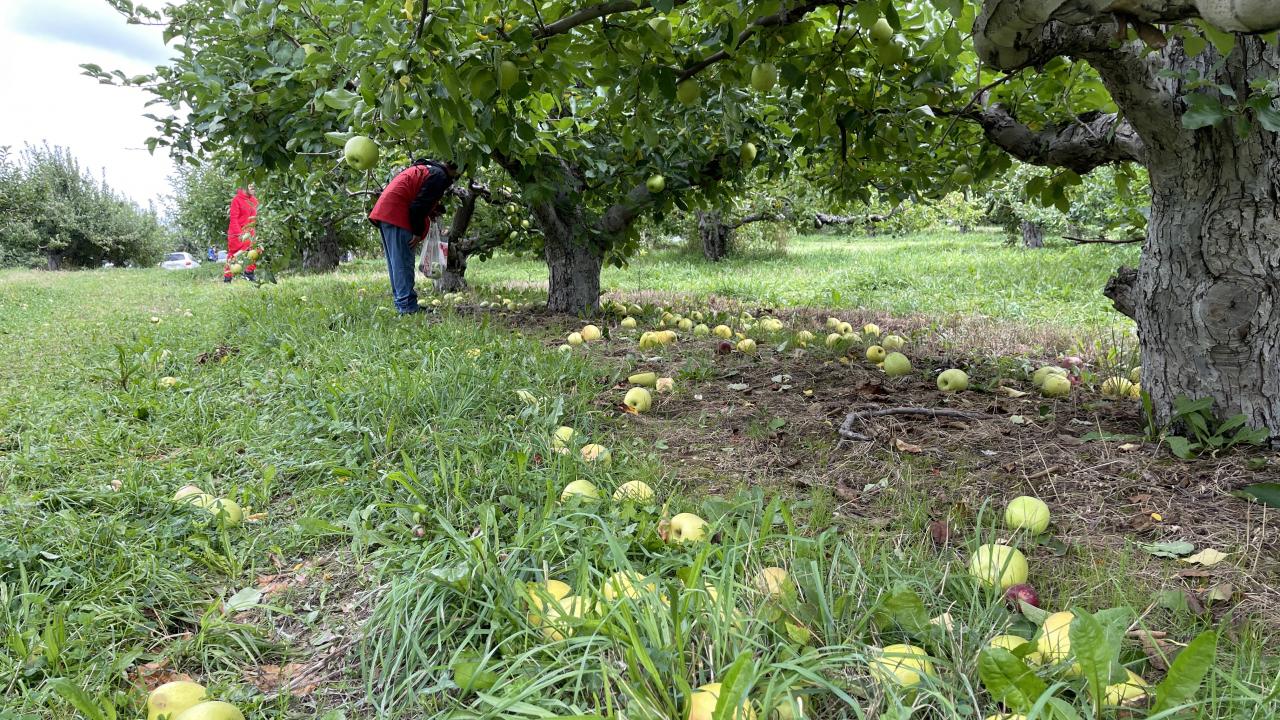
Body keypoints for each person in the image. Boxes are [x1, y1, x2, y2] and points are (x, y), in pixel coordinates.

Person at [367, 159, 460, 314]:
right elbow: (417, 207)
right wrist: (417, 232)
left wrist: (432, 208)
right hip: (397, 214)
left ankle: (403, 302)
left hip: (386, 212)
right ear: (457, 169)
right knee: (403, 263)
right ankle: (406, 306)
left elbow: (416, 194)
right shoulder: (440, 176)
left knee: (396, 263)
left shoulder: (427, 168)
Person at [225, 183, 259, 282]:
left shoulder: (254, 200)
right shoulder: (236, 200)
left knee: (255, 251)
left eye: (254, 186)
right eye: (250, 186)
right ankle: (228, 277)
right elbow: (234, 219)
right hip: (236, 233)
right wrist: (240, 234)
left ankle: (249, 273)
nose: (253, 188)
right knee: (234, 254)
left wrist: (254, 232)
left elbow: (254, 218)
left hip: (249, 233)